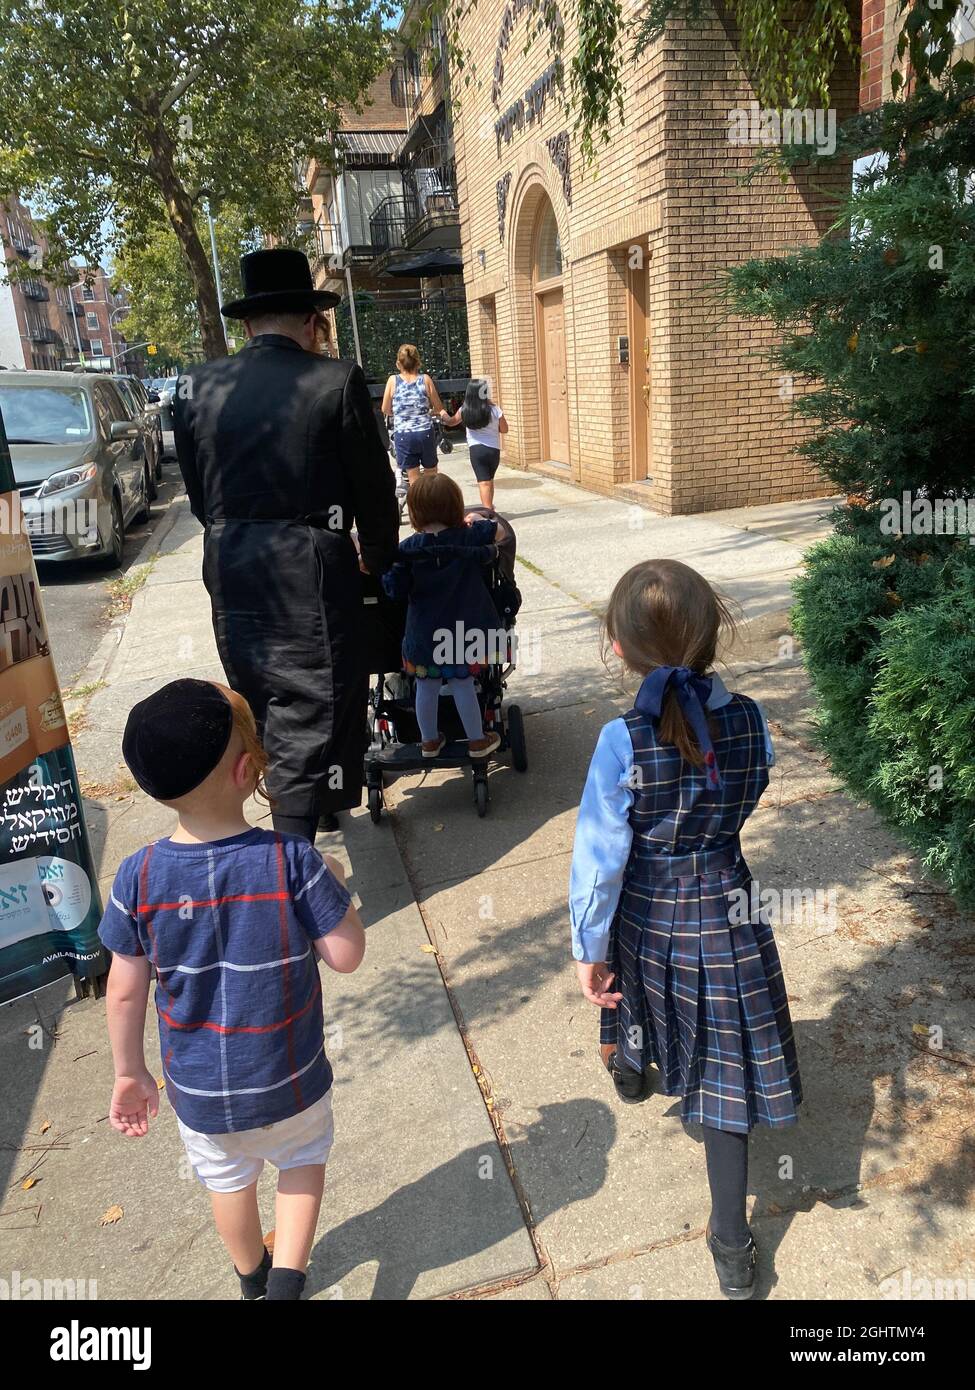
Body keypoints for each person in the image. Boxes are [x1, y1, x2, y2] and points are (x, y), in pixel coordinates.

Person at [568, 559, 801, 1301]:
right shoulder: (752, 719)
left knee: (638, 993)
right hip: (728, 904)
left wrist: (587, 947)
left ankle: (634, 1068)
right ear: (712, 634)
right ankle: (730, 1247)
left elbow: (600, 861)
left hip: (649, 911)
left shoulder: (619, 739)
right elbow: (753, 780)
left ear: (616, 645)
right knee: (726, 1061)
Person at [97, 678, 366, 1301]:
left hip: (199, 1090)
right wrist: (336, 889)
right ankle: (287, 1283)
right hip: (289, 1076)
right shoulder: (291, 861)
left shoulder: (137, 877)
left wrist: (128, 1071)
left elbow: (124, 989)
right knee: (300, 1164)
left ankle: (251, 1277)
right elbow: (346, 956)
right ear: (250, 769)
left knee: (227, 1182)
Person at [174, 247, 399, 842]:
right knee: (314, 700)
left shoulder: (197, 384)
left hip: (231, 565)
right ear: (308, 320)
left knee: (262, 694)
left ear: (248, 324)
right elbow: (375, 492)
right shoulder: (335, 379)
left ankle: (316, 805)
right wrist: (374, 561)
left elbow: (199, 497)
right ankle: (291, 873)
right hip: (309, 570)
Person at [382, 472, 502, 759]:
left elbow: (393, 589)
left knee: (426, 686)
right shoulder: (468, 537)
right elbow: (498, 532)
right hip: (463, 634)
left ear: (414, 512)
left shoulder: (408, 549)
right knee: (462, 684)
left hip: (423, 636)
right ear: (454, 507)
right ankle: (476, 740)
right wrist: (476, 519)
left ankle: (429, 741)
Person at [380, 344, 446, 488]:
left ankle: (417, 508)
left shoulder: (393, 381)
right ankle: (432, 506)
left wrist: (399, 413)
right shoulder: (425, 380)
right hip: (425, 433)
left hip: (404, 435)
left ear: (398, 364)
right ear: (418, 362)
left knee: (413, 477)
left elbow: (385, 408)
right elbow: (439, 407)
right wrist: (430, 411)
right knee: (431, 474)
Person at [440, 378, 508, 509]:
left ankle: (488, 512)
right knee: (489, 481)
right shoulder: (495, 410)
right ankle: (490, 508)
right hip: (493, 450)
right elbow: (505, 429)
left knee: (484, 483)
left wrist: (443, 413)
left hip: (476, 451)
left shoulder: (465, 410)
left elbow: (451, 422)